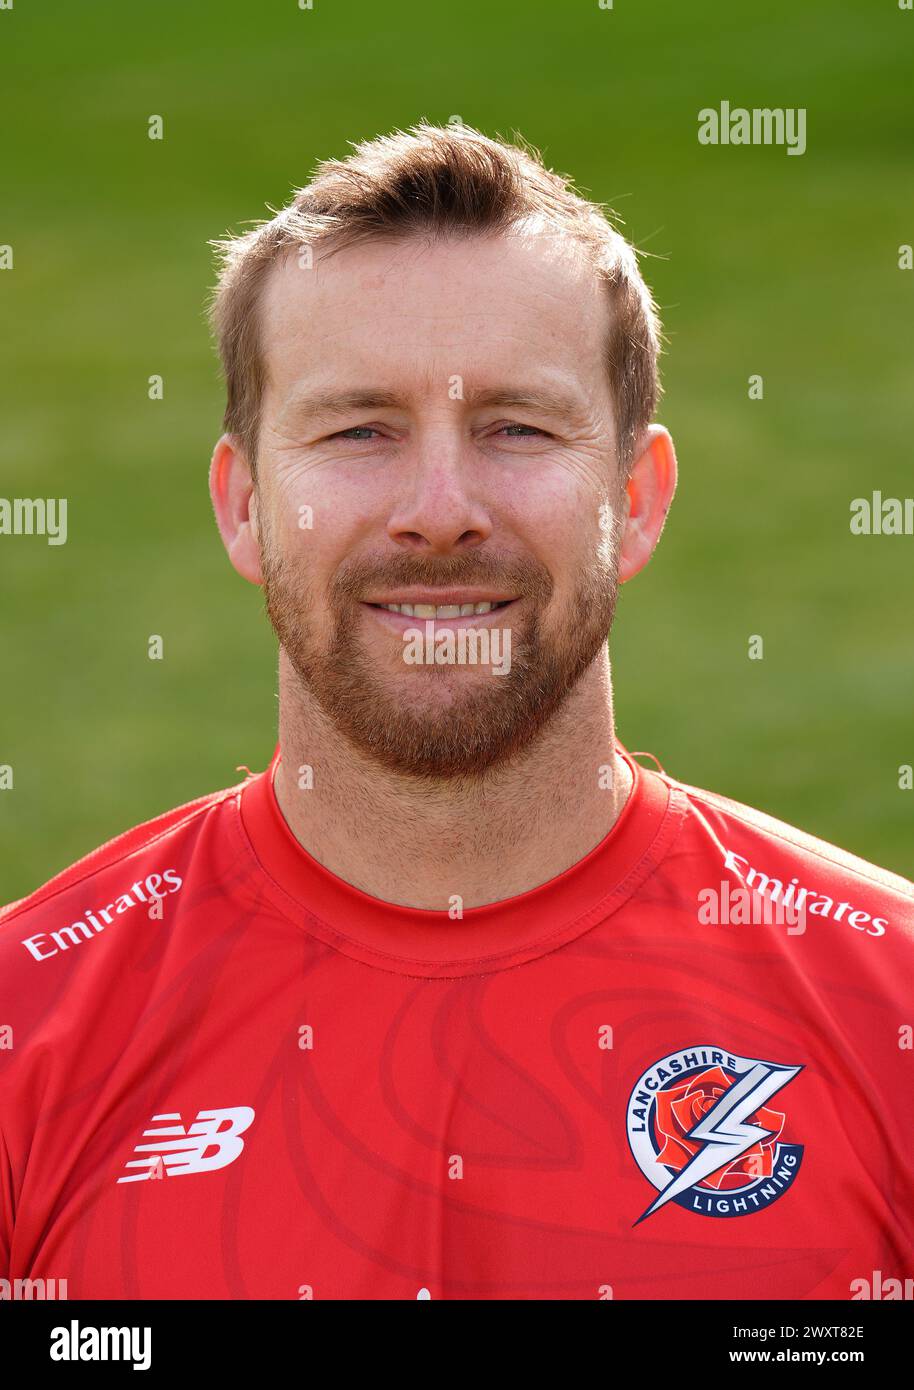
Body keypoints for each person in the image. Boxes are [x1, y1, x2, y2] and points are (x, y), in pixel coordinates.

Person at [1, 123, 911, 1301]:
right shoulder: (31, 1027)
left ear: (632, 502)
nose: (440, 511)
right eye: (359, 429)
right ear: (244, 506)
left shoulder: (887, 1011)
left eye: (514, 427)